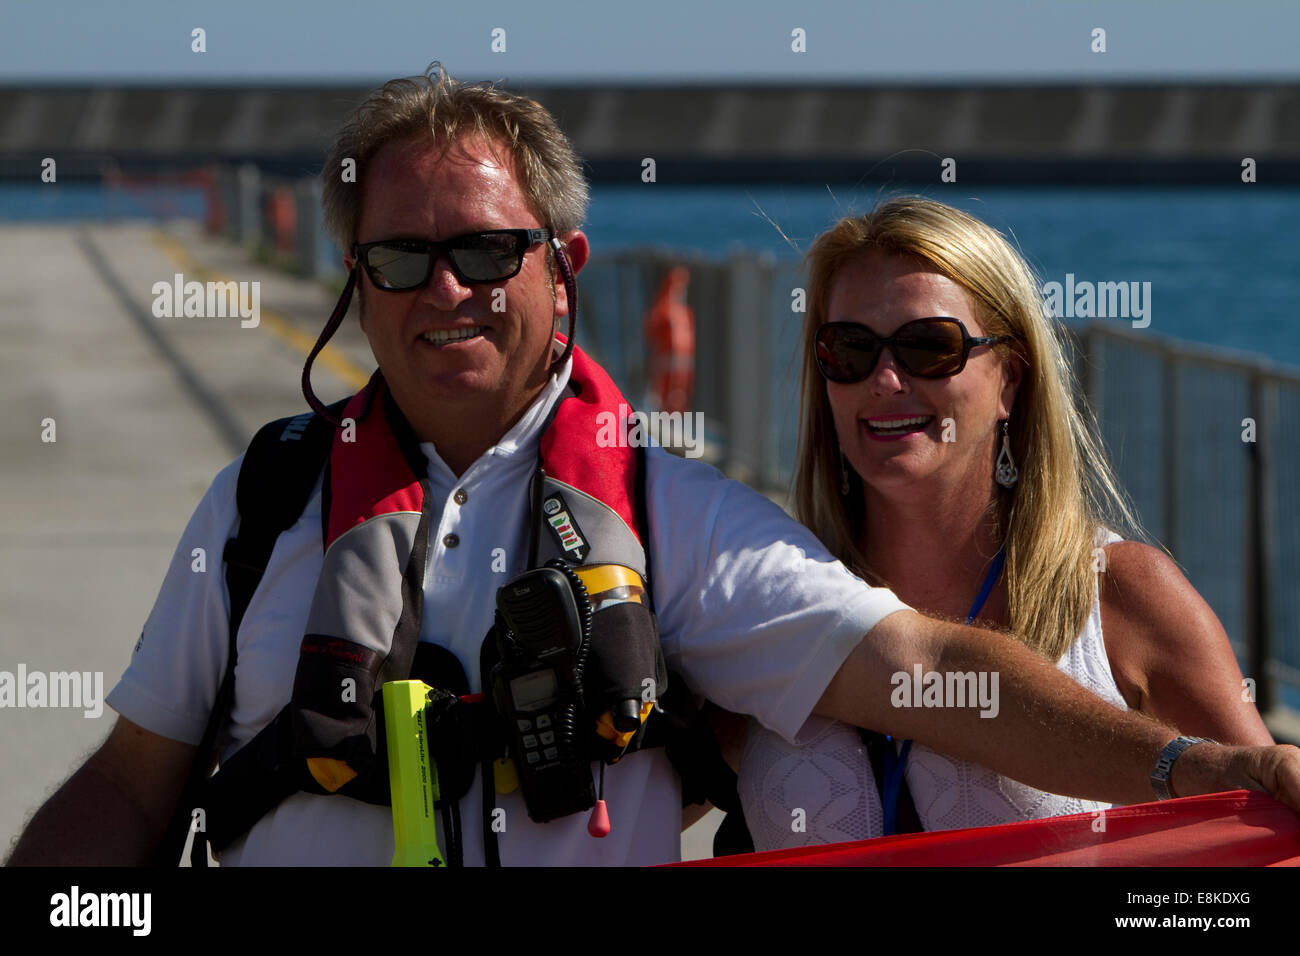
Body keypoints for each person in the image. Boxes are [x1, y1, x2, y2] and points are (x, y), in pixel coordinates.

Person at [9, 67, 1300, 868]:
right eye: (401, 257)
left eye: (485, 252)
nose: (444, 290)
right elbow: (129, 786)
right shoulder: (260, 504)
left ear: (562, 268)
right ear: (356, 280)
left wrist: (1216, 772)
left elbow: (928, 671)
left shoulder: (672, 516)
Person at [737, 197, 1275, 850]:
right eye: (849, 348)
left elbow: (1267, 833)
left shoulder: (1123, 596)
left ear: (1010, 380)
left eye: (928, 347)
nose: (883, 380)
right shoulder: (765, 596)